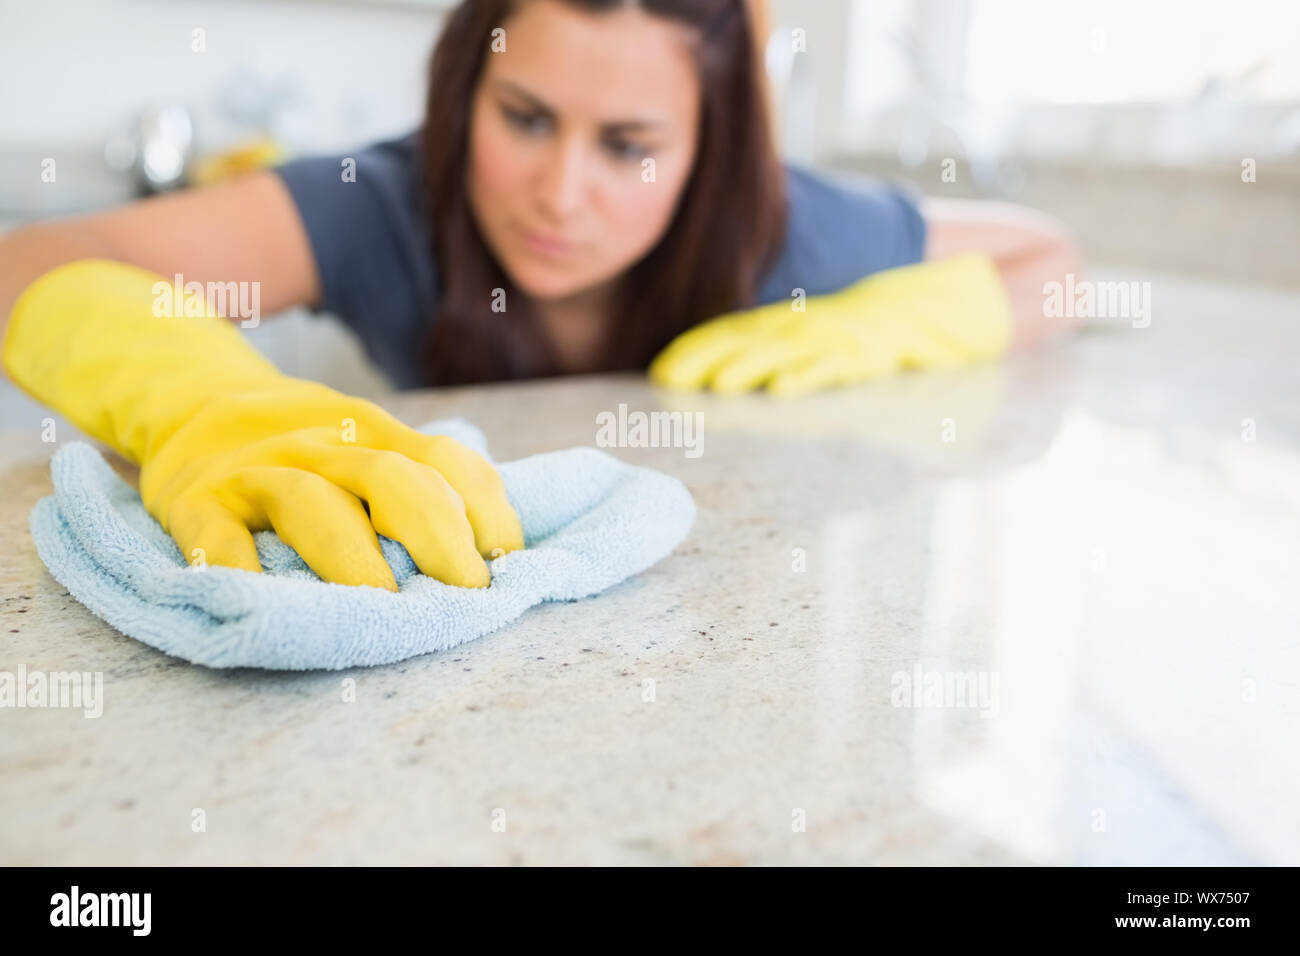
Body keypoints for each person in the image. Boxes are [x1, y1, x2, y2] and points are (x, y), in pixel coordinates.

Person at [0, 0, 1080, 587]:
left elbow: (1047, 260)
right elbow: (31, 261)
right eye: (523, 118)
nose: (561, 193)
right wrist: (198, 399)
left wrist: (885, 324)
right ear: (466, 92)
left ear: (708, 149)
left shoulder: (781, 227)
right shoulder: (384, 206)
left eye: (628, 145)